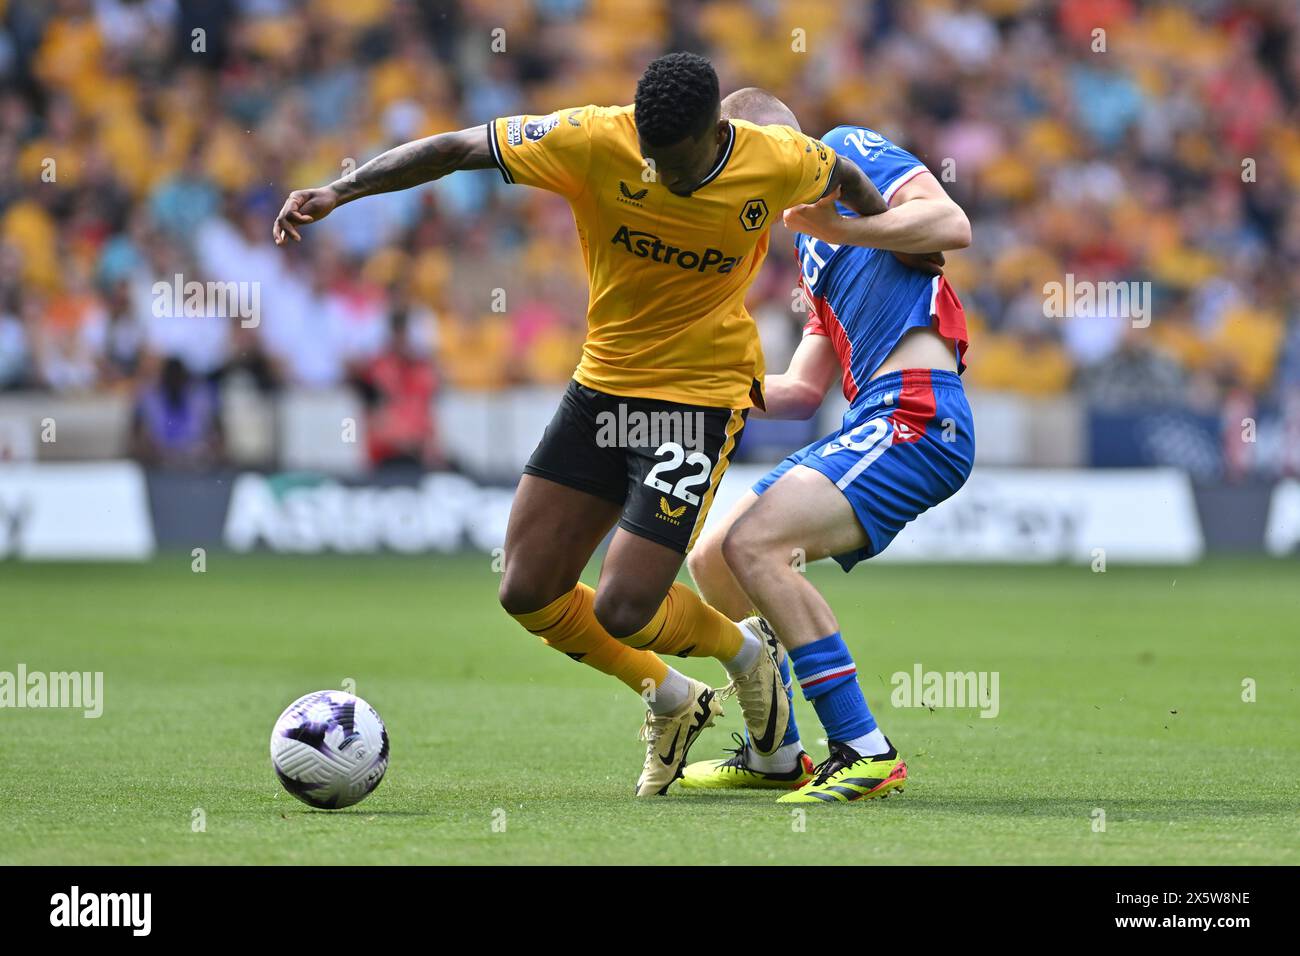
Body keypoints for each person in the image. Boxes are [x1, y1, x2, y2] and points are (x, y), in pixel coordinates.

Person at [273, 53, 926, 796]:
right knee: (526, 588)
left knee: (622, 604)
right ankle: (681, 695)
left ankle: (751, 665)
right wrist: (339, 189)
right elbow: (457, 148)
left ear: (717, 133)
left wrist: (887, 233)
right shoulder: (593, 138)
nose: (659, 173)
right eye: (650, 157)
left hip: (698, 401)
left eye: (674, 162)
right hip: (604, 388)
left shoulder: (775, 157)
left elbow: (843, 175)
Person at [684, 89, 975, 803]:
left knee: (753, 546)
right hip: (869, 418)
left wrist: (844, 228)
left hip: (917, 414)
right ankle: (777, 750)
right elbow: (799, 392)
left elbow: (952, 223)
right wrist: (706, 377)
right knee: (713, 556)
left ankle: (863, 747)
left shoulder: (848, 151)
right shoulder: (810, 243)